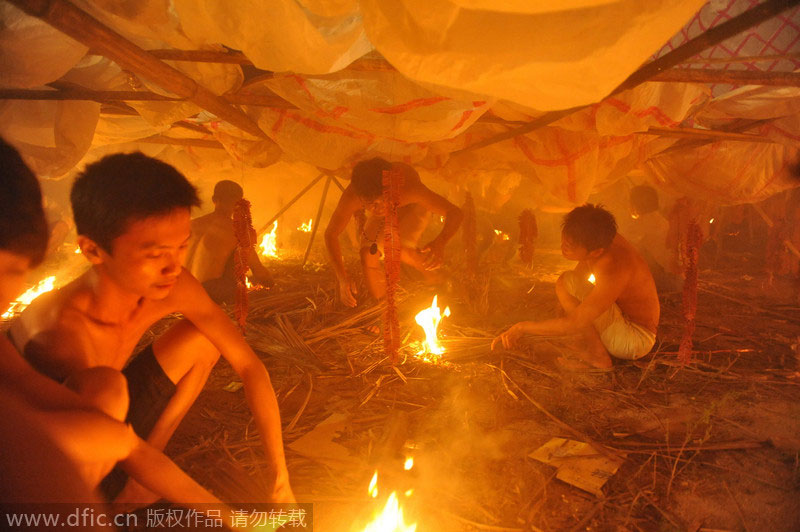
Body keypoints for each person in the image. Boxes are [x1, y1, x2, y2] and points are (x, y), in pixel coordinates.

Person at [0, 141, 266, 530]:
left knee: (105, 402)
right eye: (8, 273)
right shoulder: (62, 333)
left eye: (17, 274)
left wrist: (241, 522)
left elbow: (116, 440)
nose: (10, 294)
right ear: (93, 251)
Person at [492, 204, 660, 372]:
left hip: (633, 340)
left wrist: (522, 327)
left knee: (565, 283)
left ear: (595, 252)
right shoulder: (598, 236)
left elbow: (575, 323)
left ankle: (598, 357)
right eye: (565, 239)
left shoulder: (612, 266)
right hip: (623, 321)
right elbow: (580, 274)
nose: (563, 246)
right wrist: (567, 305)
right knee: (568, 282)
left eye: (570, 246)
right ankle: (595, 345)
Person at [325, 157, 463, 308]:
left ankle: (438, 279)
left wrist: (440, 242)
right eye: (370, 204)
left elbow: (454, 212)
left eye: (381, 201)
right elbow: (331, 234)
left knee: (400, 248)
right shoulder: (353, 197)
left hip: (412, 207)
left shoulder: (410, 190)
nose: (377, 209)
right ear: (361, 197)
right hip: (386, 209)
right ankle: (382, 308)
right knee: (367, 254)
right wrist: (342, 278)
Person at [185, 180, 273, 305]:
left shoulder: (191, 225)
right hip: (209, 293)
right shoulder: (237, 231)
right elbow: (259, 272)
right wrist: (272, 285)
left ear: (214, 199)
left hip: (181, 289)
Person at [627, 185, 681, 291]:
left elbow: (625, 249)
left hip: (662, 280)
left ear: (635, 204)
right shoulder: (662, 220)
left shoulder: (642, 223)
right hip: (678, 279)